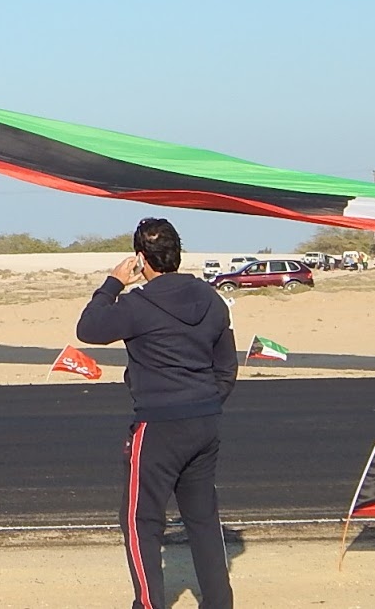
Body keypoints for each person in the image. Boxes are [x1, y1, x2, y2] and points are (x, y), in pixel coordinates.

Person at [76, 217, 237, 609]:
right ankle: (219, 602)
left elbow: (89, 328)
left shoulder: (138, 304)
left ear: (141, 259)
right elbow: (226, 367)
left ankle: (148, 604)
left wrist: (113, 283)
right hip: (204, 420)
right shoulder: (212, 300)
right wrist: (204, 400)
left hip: (160, 424)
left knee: (140, 521)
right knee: (202, 519)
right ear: (177, 255)